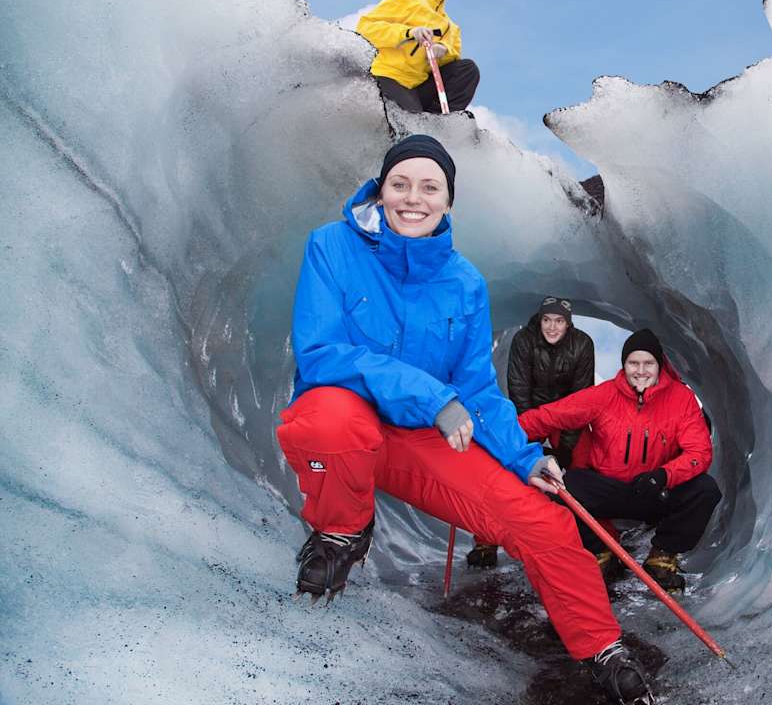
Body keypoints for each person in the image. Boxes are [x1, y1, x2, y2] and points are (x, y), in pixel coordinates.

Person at [275, 135, 652, 703]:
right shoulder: (331, 247)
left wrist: (526, 458)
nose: (413, 198)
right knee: (327, 421)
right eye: (399, 184)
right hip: (347, 420)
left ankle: (601, 648)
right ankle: (343, 531)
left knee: (540, 520)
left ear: (448, 202)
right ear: (381, 190)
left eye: (430, 188)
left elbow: (476, 388)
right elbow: (321, 354)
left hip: (420, 441)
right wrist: (432, 395)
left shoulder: (465, 283)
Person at [518, 329, 722, 593]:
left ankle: (662, 557)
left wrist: (664, 475)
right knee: (563, 487)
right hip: (610, 489)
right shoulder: (604, 395)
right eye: (633, 363)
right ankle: (602, 553)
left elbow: (700, 453)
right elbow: (550, 416)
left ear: (659, 365)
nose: (640, 370)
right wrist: (504, 435)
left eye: (648, 363)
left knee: (705, 490)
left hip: (655, 489)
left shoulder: (680, 400)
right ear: (624, 365)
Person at [466, 295, 595, 569]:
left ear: (568, 324)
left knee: (582, 464)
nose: (552, 327)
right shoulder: (524, 340)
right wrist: (528, 440)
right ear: (539, 320)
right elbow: (519, 389)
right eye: (547, 320)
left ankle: (591, 539)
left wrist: (566, 449)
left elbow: (581, 397)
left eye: (559, 321)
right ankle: (487, 539)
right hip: (529, 414)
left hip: (566, 416)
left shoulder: (582, 344)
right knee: (505, 465)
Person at [356, 0, 479, 114]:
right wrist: (409, 33)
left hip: (418, 86)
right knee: (412, 125)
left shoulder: (451, 26)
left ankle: (438, 123)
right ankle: (417, 129)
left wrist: (442, 49)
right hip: (390, 76)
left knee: (468, 70)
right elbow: (366, 28)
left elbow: (453, 57)